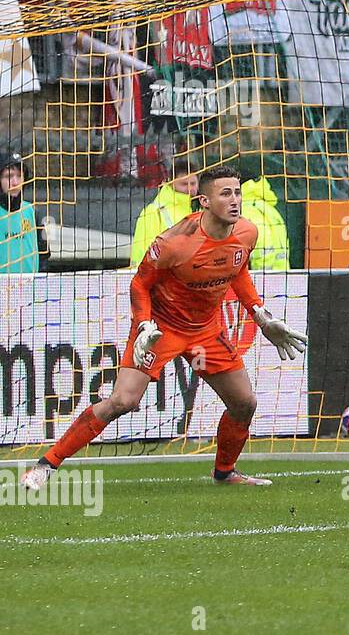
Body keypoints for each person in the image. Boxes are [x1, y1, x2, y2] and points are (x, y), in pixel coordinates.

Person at [20, 166, 308, 491]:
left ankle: (225, 473)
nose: (235, 200)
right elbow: (139, 285)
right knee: (122, 401)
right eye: (225, 194)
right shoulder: (175, 243)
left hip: (205, 332)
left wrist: (260, 315)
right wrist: (143, 324)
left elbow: (237, 269)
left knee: (245, 403)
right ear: (205, 201)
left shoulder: (247, 233)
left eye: (237, 192)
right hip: (160, 329)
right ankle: (47, 465)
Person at [130, 161, 199, 267]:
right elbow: (142, 252)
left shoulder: (202, 207)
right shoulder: (153, 211)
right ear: (171, 183)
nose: (190, 189)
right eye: (184, 184)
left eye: (193, 183)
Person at [0, 152, 48, 274]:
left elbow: (44, 255)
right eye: (9, 176)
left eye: (19, 176)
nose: (15, 182)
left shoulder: (33, 212)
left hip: (29, 289)